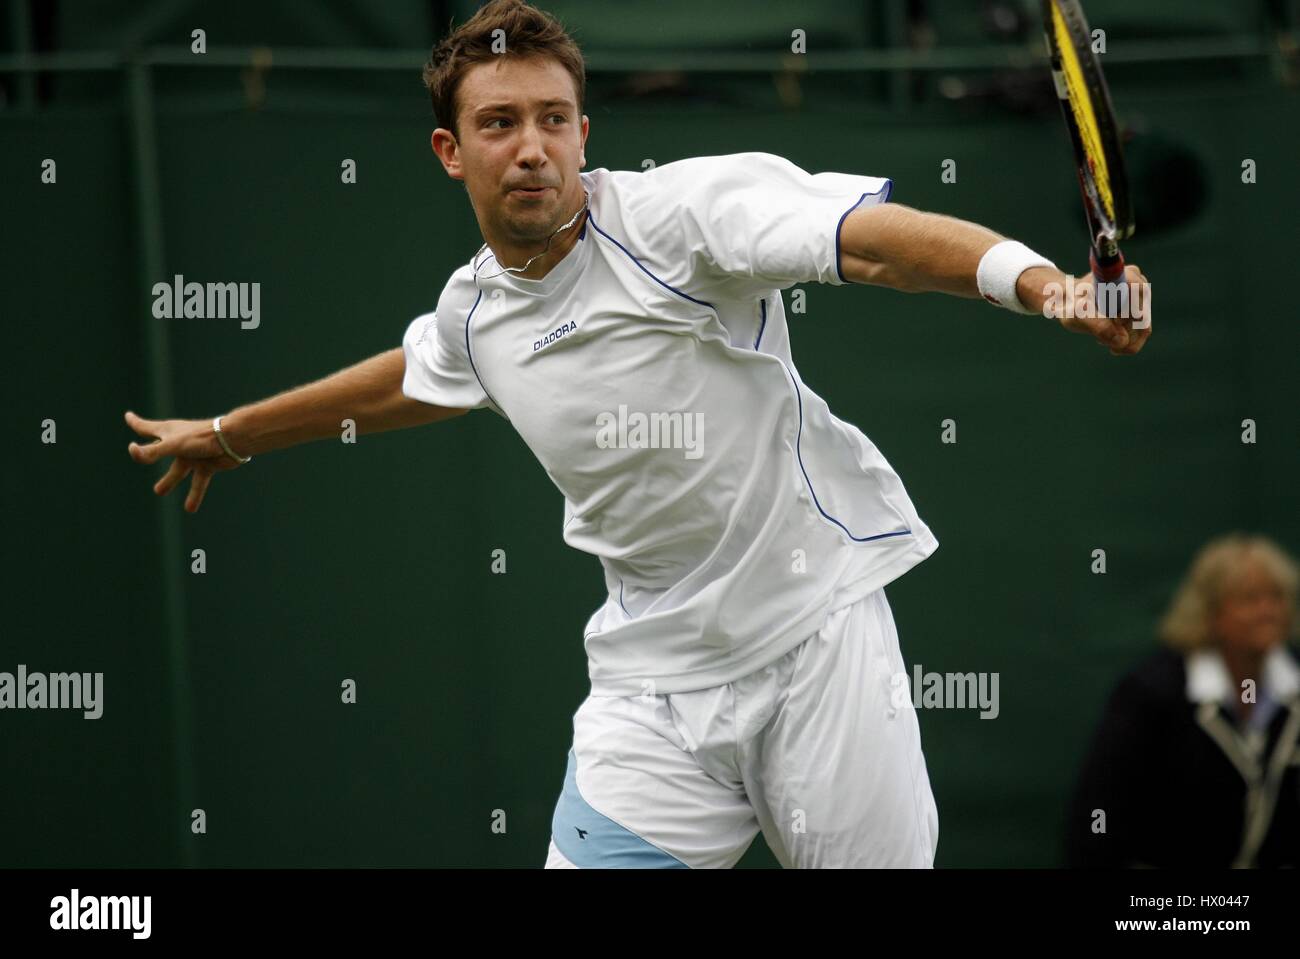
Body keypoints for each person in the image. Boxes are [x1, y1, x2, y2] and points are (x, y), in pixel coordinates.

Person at [124, 0, 1151, 868]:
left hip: (818, 641)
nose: (529, 145)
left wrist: (1045, 286)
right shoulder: (474, 314)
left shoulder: (683, 217)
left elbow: (871, 247)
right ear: (450, 150)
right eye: (497, 123)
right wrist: (230, 431)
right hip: (651, 687)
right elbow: (415, 381)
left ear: (582, 134)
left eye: (552, 119)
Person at [1065, 534, 1300, 868]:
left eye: (1277, 598)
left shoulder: (1292, 688)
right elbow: (1099, 815)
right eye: (1250, 600)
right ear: (1211, 612)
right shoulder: (1152, 693)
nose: (1268, 611)